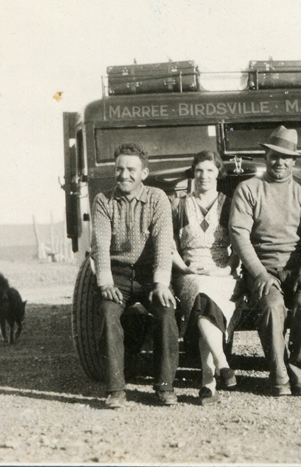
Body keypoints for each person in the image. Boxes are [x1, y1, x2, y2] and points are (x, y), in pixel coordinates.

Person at [229, 125, 301, 396]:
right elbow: (239, 235)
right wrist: (259, 273)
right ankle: (278, 372)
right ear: (265, 157)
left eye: (286, 157)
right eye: (274, 156)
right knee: (271, 306)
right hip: (262, 269)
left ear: (294, 161)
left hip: (295, 270)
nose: (279, 162)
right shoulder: (248, 189)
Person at [91, 143, 179, 409]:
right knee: (108, 314)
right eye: (119, 169)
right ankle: (116, 388)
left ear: (144, 172)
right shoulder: (102, 200)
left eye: (131, 169)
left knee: (166, 313)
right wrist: (105, 282)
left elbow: (164, 242)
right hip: (116, 276)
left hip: (149, 274)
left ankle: (165, 385)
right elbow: (100, 245)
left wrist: (162, 283)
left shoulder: (157, 198)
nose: (124, 175)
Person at [170, 150, 239, 406]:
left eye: (210, 170)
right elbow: (170, 246)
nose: (204, 176)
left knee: (205, 305)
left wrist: (226, 269)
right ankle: (221, 363)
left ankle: (209, 382)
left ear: (218, 173)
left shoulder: (229, 204)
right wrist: (185, 268)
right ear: (193, 173)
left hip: (221, 274)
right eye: (199, 170)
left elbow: (239, 246)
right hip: (190, 273)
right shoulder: (180, 205)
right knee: (200, 291)